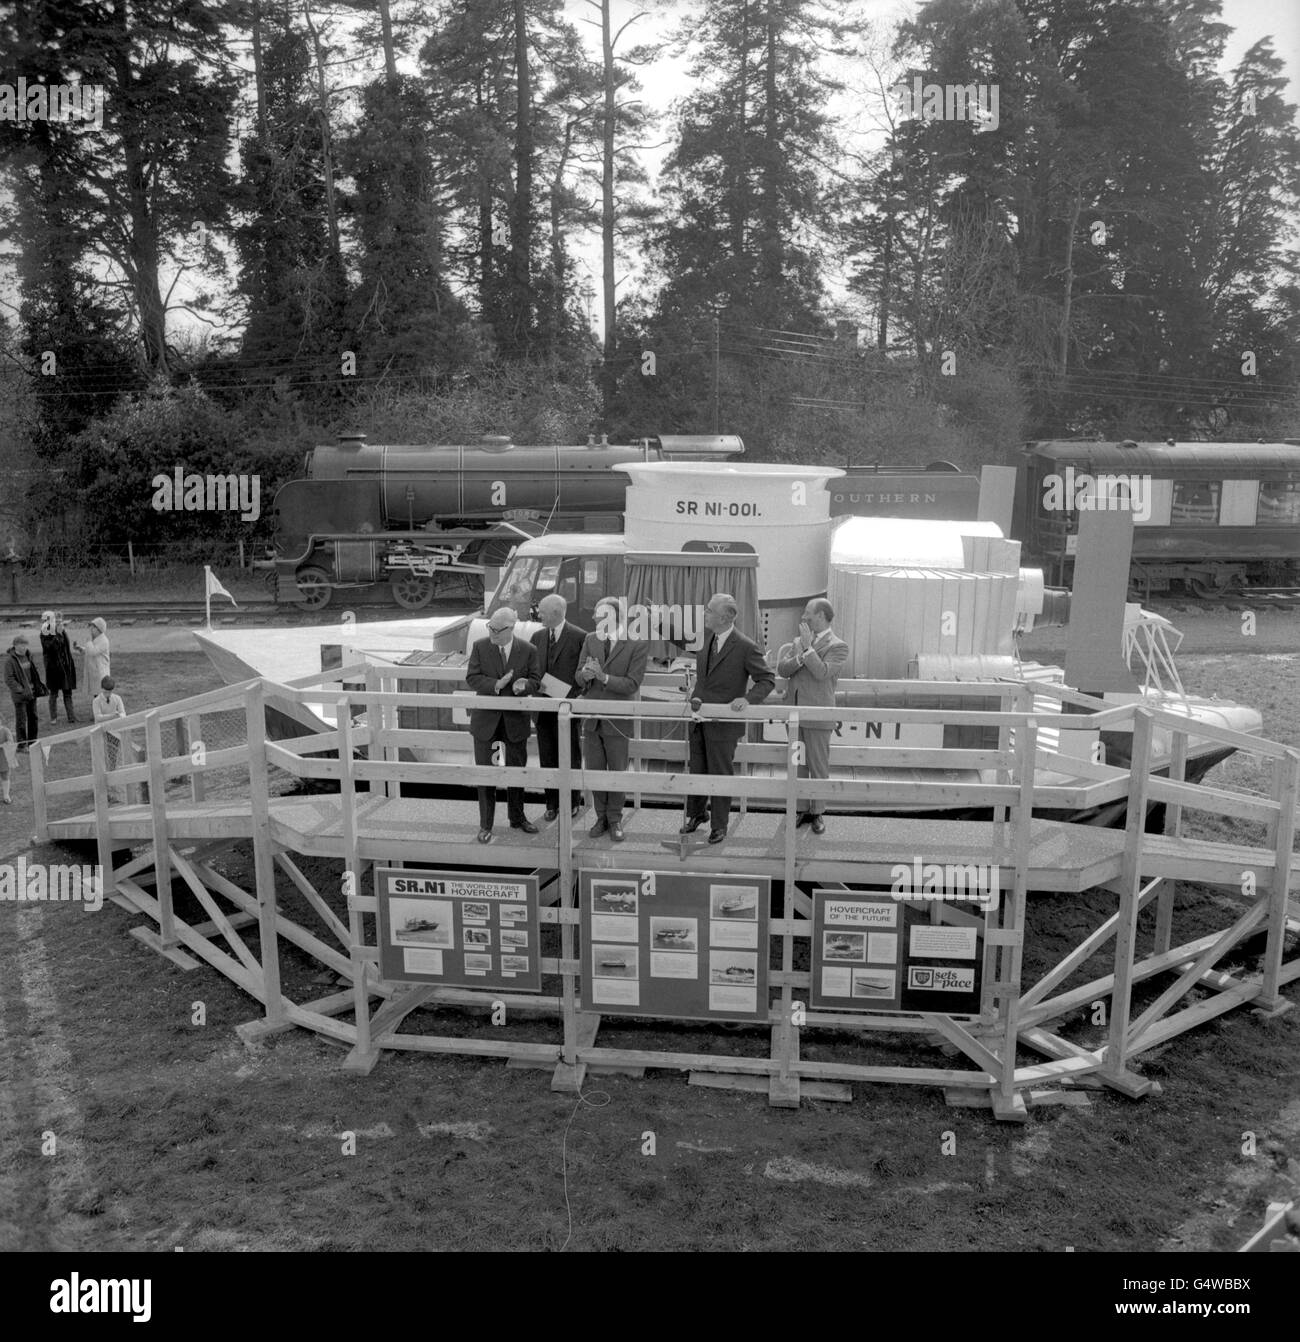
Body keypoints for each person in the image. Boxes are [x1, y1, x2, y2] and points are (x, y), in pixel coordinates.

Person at [681, 593, 775, 844]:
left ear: (725, 617)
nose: (705, 614)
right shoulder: (705, 637)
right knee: (697, 769)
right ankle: (697, 814)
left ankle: (719, 825)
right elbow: (680, 638)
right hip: (699, 718)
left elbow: (767, 679)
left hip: (724, 725)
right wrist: (656, 622)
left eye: (709, 611)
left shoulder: (745, 646)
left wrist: (748, 699)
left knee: (721, 774)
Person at [576, 596, 649, 842]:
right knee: (595, 770)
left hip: (618, 719)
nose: (596, 618)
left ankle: (615, 818)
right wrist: (585, 676)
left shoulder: (636, 644)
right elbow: (577, 676)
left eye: (601, 615)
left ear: (616, 617)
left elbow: (632, 684)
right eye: (596, 615)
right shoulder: (590, 639)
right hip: (593, 718)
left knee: (617, 771)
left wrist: (603, 677)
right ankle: (601, 818)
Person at [465, 606, 541, 843]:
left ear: (512, 628)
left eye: (498, 629)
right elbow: (472, 678)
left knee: (517, 773)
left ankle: (517, 818)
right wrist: (497, 685)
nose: (493, 633)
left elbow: (536, 681)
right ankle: (485, 824)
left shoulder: (528, 650)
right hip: (486, 723)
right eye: (491, 627)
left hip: (514, 723)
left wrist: (524, 686)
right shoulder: (480, 646)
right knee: (487, 776)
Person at [776, 598, 849, 835]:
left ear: (821, 616)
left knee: (818, 766)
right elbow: (783, 670)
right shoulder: (798, 642)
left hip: (818, 715)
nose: (804, 617)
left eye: (809, 613)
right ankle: (800, 809)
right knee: (797, 765)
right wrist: (800, 655)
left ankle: (817, 813)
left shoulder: (838, 646)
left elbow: (822, 673)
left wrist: (807, 649)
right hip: (795, 715)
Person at [529, 593, 585, 821]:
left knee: (570, 757)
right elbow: (531, 669)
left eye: (541, 611)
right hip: (543, 710)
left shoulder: (580, 637)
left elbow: (582, 677)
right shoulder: (537, 636)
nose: (538, 614)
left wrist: (572, 697)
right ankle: (551, 803)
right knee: (547, 759)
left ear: (555, 613)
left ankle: (572, 803)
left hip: (567, 709)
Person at [4, 634, 46, 753]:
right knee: (21, 720)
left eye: (25, 644)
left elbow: (33, 672)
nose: (24, 647)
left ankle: (33, 742)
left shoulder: (29, 656)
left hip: (32, 693)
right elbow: (9, 679)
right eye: (21, 645)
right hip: (20, 696)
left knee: (33, 717)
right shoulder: (10, 661)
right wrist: (20, 690)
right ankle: (22, 745)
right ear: (15, 645)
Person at [40, 610, 78, 724]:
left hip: (65, 668)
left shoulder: (62, 631)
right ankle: (53, 718)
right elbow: (49, 648)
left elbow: (66, 649)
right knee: (54, 694)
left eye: (60, 621)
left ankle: (71, 717)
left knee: (67, 693)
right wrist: (57, 635)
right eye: (56, 621)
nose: (59, 623)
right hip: (54, 669)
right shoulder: (45, 633)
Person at [76, 617, 111, 707]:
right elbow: (91, 651)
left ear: (99, 629)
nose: (91, 629)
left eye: (93, 627)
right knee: (96, 693)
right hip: (95, 671)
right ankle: (98, 712)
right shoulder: (95, 639)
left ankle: (105, 712)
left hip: (100, 671)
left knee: (101, 693)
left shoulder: (104, 641)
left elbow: (93, 651)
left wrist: (88, 642)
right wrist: (83, 649)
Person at [0, 720, 14, 802]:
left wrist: (2, 745)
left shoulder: (5, 730)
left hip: (4, 758)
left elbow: (10, 742)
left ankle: (6, 795)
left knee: (5, 776)